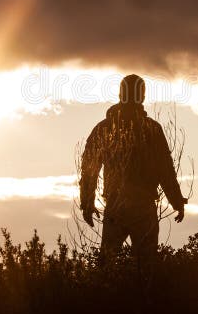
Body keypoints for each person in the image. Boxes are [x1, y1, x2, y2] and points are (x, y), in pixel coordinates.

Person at [79, 74, 186, 260]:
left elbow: (89, 170)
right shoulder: (152, 129)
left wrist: (87, 203)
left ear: (120, 94)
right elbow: (165, 170)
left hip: (117, 207)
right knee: (146, 269)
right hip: (143, 207)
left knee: (108, 267)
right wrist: (175, 200)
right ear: (142, 96)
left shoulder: (104, 128)